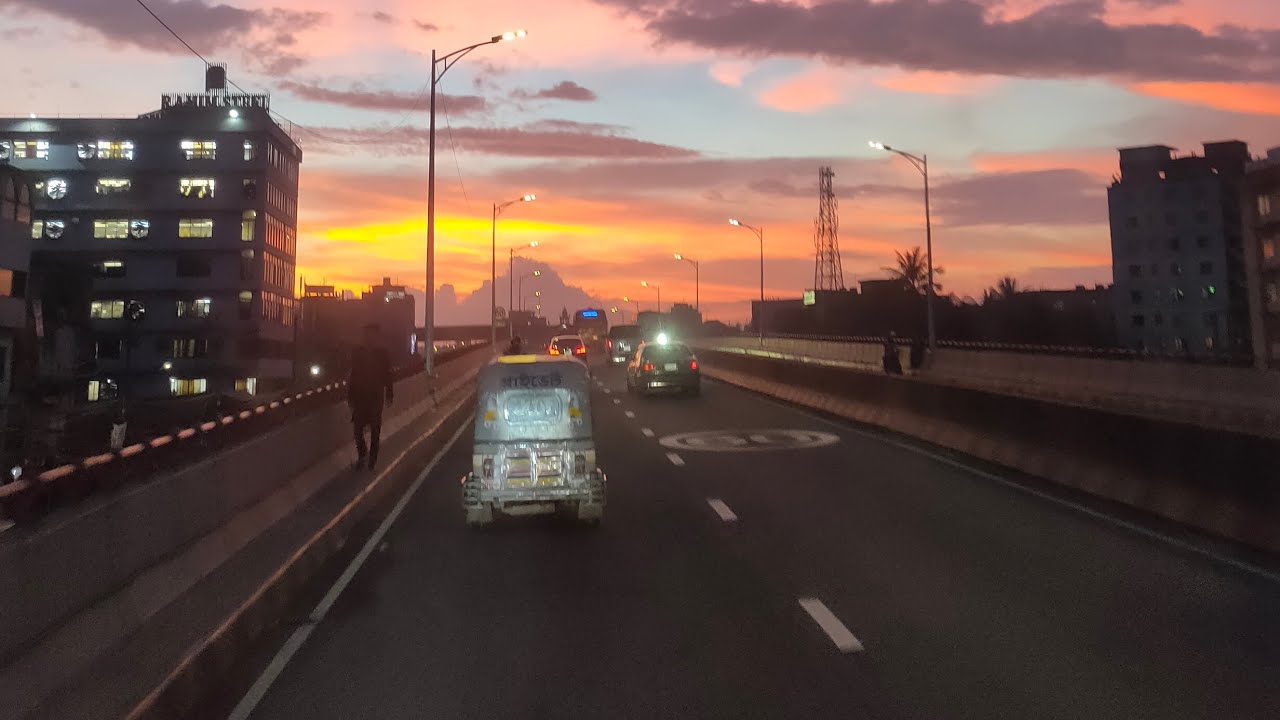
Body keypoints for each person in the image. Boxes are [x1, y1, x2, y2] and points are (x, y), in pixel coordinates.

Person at [348, 323, 394, 470]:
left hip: (375, 397)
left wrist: (389, 394)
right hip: (360, 396)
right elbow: (353, 375)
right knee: (357, 430)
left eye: (372, 335)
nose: (369, 338)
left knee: (375, 430)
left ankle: (371, 461)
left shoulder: (382, 355)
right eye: (367, 335)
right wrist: (350, 396)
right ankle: (363, 454)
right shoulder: (358, 353)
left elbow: (388, 375)